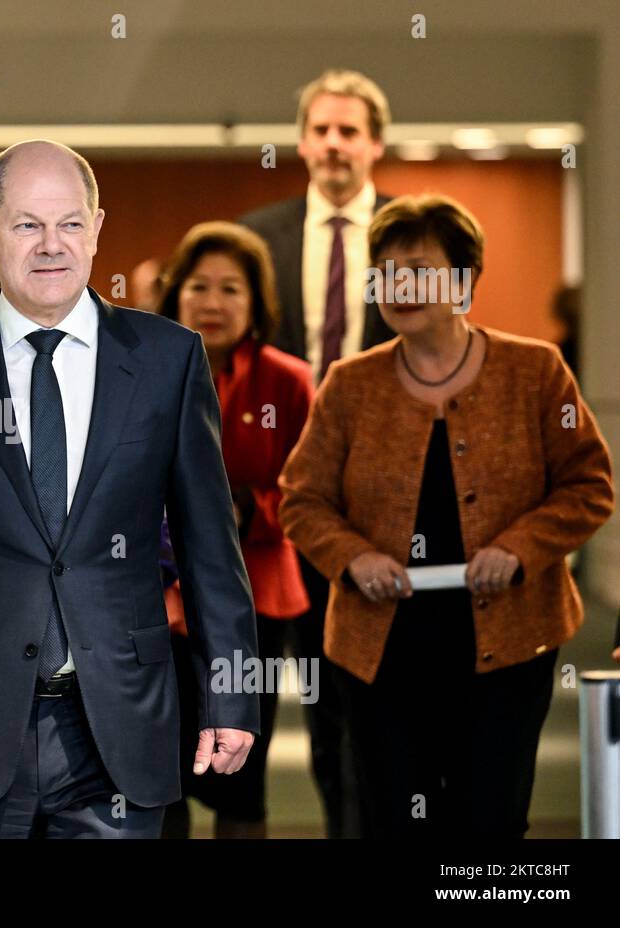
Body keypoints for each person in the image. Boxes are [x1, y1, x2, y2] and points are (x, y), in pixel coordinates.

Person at [0, 139, 259, 838]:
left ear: (98, 229)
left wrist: (230, 692)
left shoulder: (168, 360)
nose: (51, 245)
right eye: (26, 225)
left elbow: (209, 550)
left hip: (119, 724)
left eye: (70, 223)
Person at [278, 194, 614, 838]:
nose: (400, 286)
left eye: (420, 269)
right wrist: (353, 557)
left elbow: (589, 485)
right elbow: (302, 497)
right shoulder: (350, 385)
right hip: (380, 646)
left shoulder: (534, 370)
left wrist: (520, 548)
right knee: (392, 817)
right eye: (386, 272)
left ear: (464, 280)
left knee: (488, 819)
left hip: (509, 640)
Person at [238, 67, 395, 837]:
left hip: (380, 516)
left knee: (358, 713)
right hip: (273, 512)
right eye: (322, 130)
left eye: (350, 131)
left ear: (375, 145)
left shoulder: (411, 235)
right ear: (302, 143)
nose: (334, 144)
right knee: (259, 705)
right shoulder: (257, 237)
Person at [156, 222, 313, 838]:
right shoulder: (142, 369)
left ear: (257, 303)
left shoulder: (290, 381)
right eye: (199, 286)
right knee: (159, 767)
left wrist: (249, 508)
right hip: (156, 598)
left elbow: (312, 493)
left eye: (231, 289)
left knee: (239, 773)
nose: (213, 302)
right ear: (175, 295)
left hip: (256, 599)